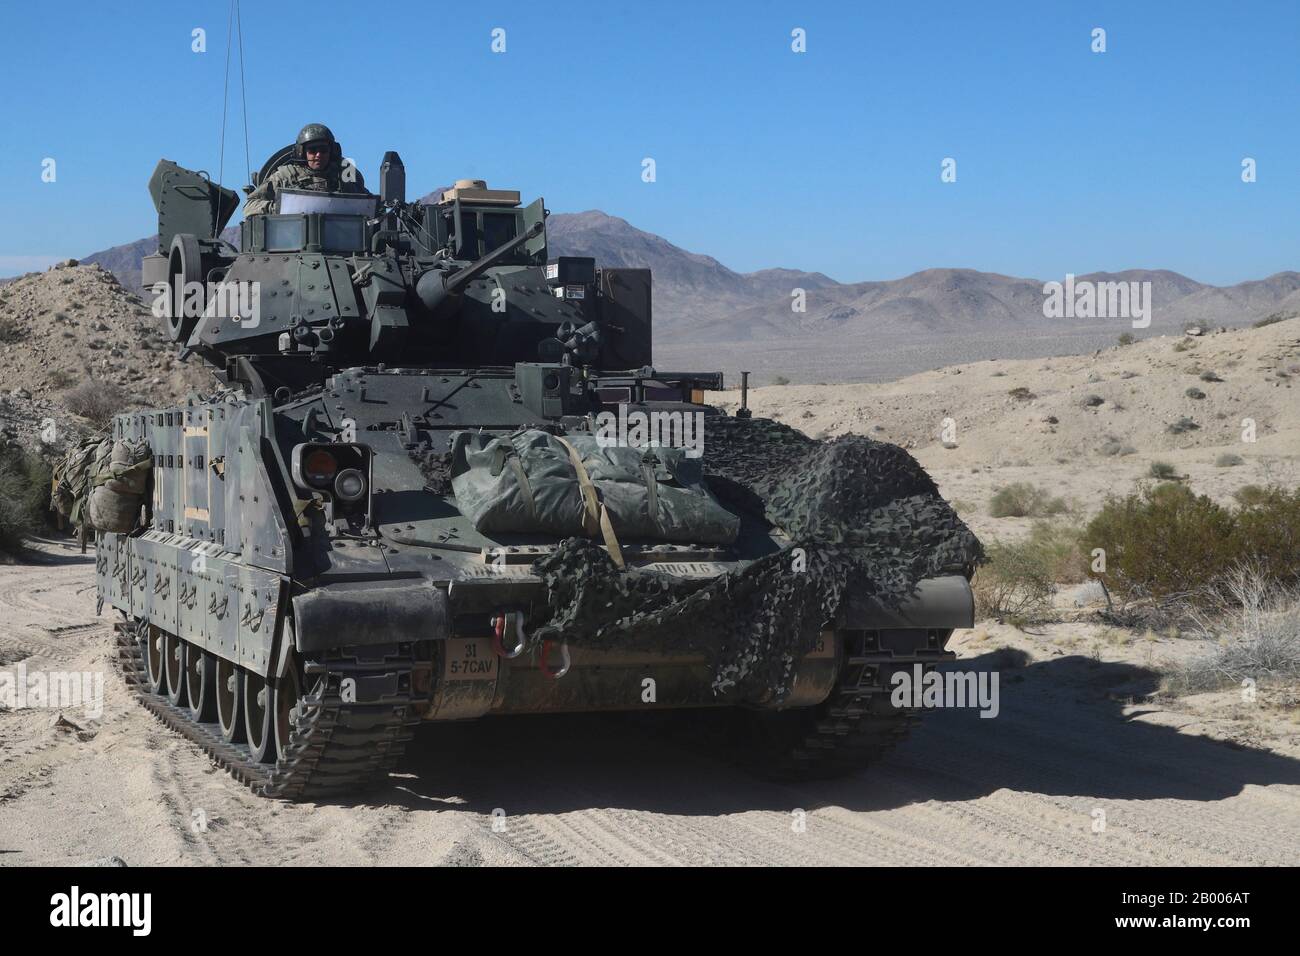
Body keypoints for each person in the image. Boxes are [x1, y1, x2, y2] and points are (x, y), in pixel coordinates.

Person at [243, 123, 369, 215]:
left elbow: (367, 205)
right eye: (313, 150)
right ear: (302, 153)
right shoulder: (286, 176)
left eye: (323, 150)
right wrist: (278, 208)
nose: (318, 155)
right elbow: (249, 206)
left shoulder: (345, 174)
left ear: (332, 152)